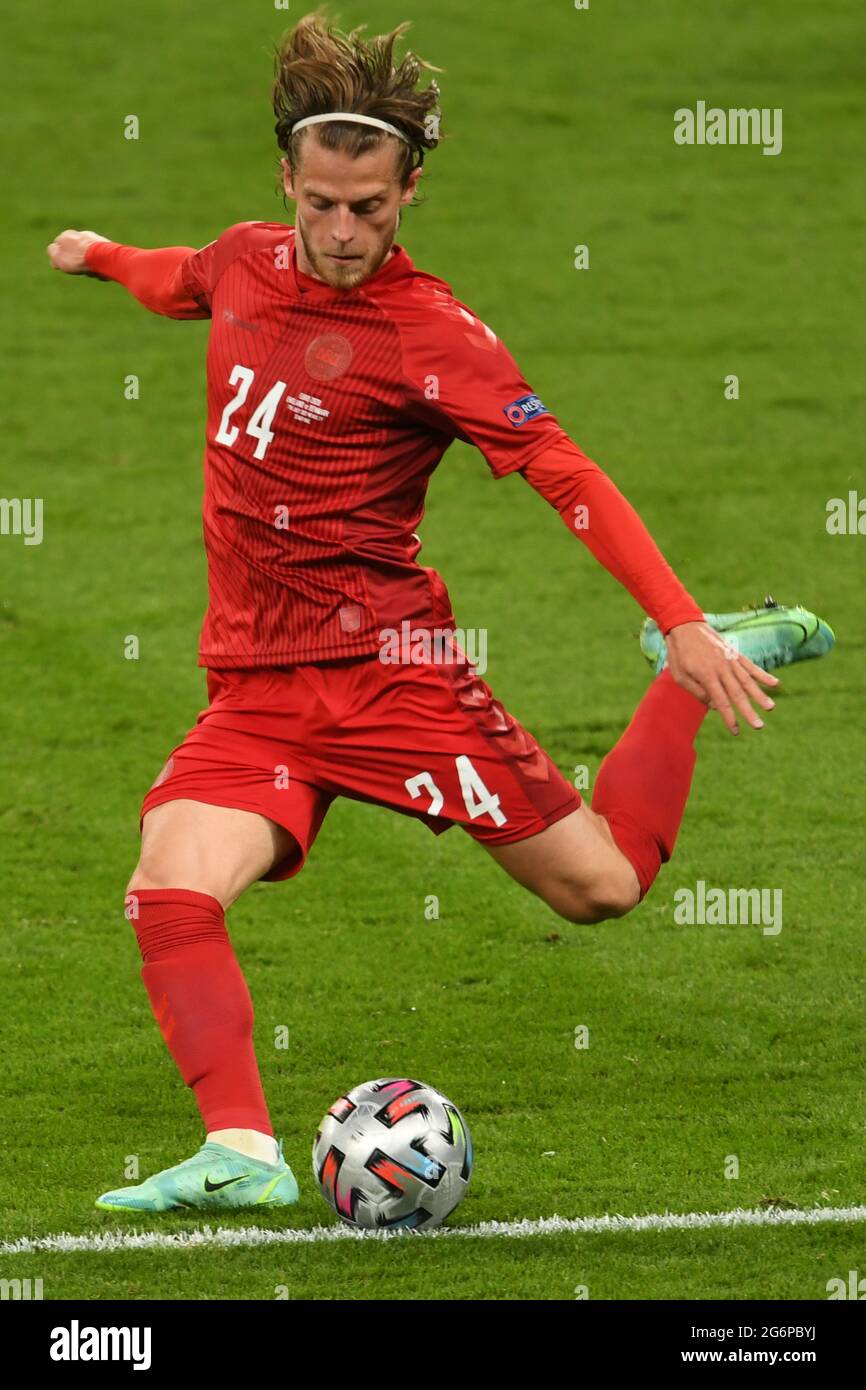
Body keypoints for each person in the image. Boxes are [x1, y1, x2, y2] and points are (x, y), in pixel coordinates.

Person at [47, 15, 833, 1215]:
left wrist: (675, 619)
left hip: (393, 678)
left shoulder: (429, 336)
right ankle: (243, 1151)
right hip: (257, 687)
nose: (344, 231)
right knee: (169, 885)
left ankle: (687, 669)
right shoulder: (250, 257)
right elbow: (182, 282)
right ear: (287, 184)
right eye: (323, 202)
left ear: (408, 188)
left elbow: (564, 471)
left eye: (369, 205)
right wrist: (101, 253)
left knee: (602, 885)